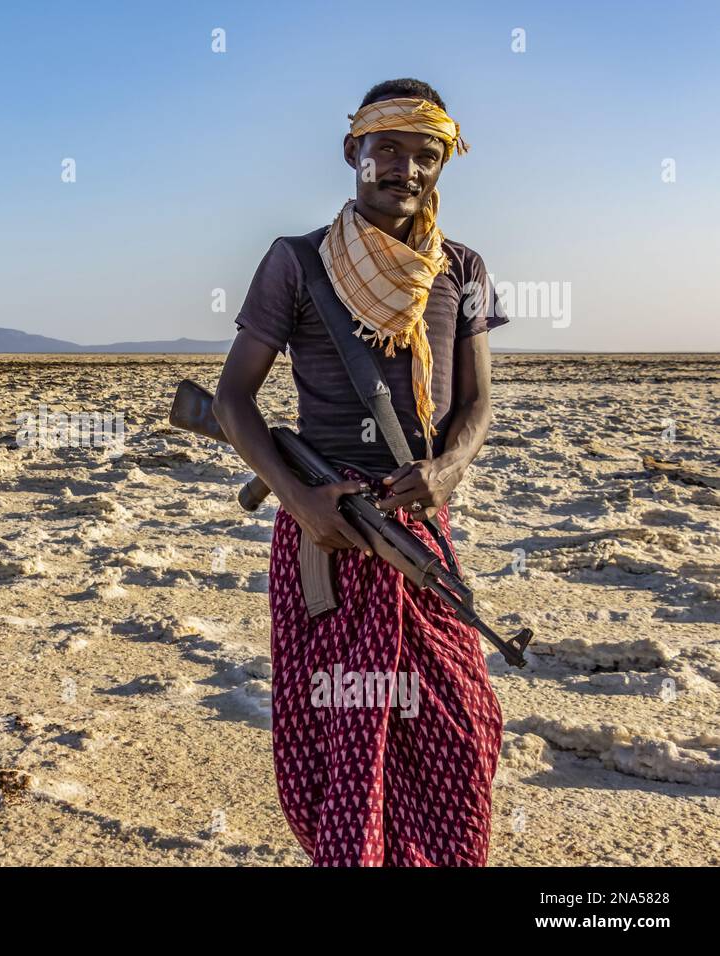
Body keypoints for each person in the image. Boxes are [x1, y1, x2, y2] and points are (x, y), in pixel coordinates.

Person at [212, 78, 510, 866]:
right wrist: (304, 502)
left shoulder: (465, 266)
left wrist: (446, 471)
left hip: (417, 523)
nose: (404, 169)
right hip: (328, 530)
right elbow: (232, 398)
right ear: (354, 151)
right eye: (388, 148)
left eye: (426, 154)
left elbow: (478, 402)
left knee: (462, 723)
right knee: (343, 734)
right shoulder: (296, 262)